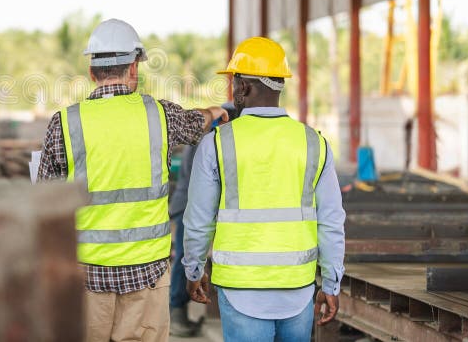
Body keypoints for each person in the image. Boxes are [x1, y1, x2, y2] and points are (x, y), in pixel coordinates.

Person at [38, 18, 228, 342]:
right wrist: (215, 112)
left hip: (87, 277)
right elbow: (197, 122)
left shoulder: (64, 123)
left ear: (92, 72)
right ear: (133, 69)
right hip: (147, 277)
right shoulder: (160, 115)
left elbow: (44, 205)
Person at [183, 36, 345, 342]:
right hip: (297, 289)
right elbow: (332, 221)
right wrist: (331, 285)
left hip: (241, 288)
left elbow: (198, 218)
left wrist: (194, 271)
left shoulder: (218, 143)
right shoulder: (314, 143)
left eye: (234, 81)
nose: (232, 89)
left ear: (244, 87)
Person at [168, 102, 235, 338]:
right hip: (189, 204)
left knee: (189, 256)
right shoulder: (210, 140)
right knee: (187, 258)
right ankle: (176, 312)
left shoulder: (208, 136)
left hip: (191, 202)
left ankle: (178, 311)